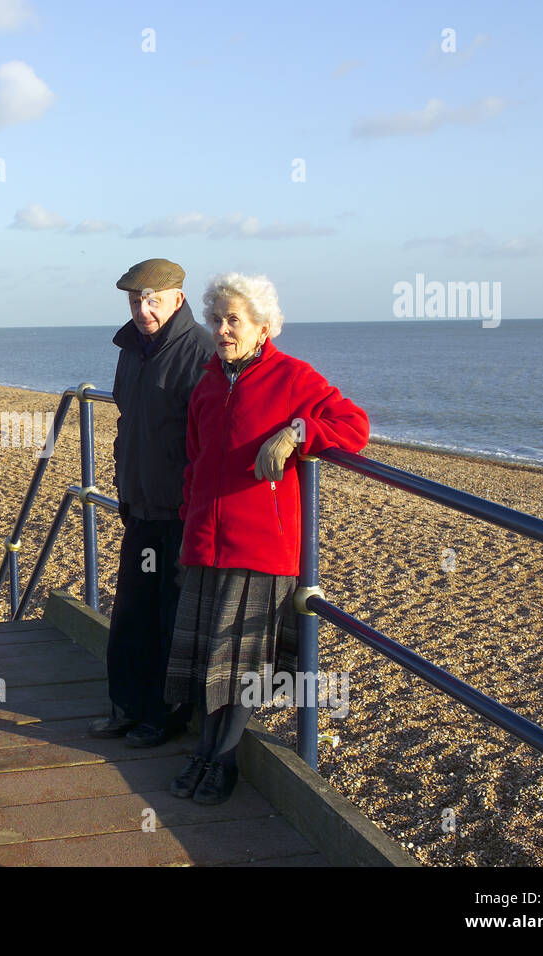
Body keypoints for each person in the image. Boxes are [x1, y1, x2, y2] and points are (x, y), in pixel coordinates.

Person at [164, 273, 369, 805]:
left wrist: (296, 433)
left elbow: (353, 425)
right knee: (209, 660)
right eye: (217, 319)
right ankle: (203, 753)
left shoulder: (293, 377)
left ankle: (223, 761)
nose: (222, 329)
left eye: (234, 320)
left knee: (239, 666)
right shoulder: (207, 383)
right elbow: (194, 462)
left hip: (261, 549)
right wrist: (188, 524)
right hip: (205, 542)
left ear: (262, 327)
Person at [89, 258, 217, 748]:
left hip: (180, 512)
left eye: (152, 300)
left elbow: (208, 437)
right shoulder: (131, 348)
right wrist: (123, 482)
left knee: (171, 615)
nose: (143, 309)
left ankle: (164, 718)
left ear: (177, 299)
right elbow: (128, 421)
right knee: (132, 611)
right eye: (135, 300)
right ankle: (125, 707)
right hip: (139, 502)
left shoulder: (201, 350)